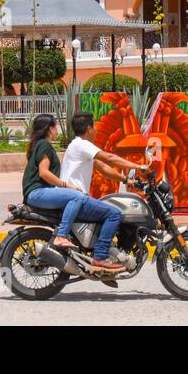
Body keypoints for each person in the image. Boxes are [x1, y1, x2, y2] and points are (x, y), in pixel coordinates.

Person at [59, 112, 147, 272]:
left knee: (107, 208)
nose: (97, 130)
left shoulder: (78, 146)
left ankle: (107, 249)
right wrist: (137, 166)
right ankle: (100, 257)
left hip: (72, 198)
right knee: (114, 214)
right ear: (89, 128)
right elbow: (110, 158)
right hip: (77, 200)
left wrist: (126, 180)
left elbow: (105, 168)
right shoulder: (82, 144)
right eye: (95, 126)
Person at [20, 113, 90, 252]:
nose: (57, 130)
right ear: (50, 129)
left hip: (36, 193)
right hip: (38, 192)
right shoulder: (44, 144)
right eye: (56, 127)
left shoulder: (38, 145)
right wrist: (67, 185)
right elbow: (44, 173)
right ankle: (61, 235)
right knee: (77, 196)